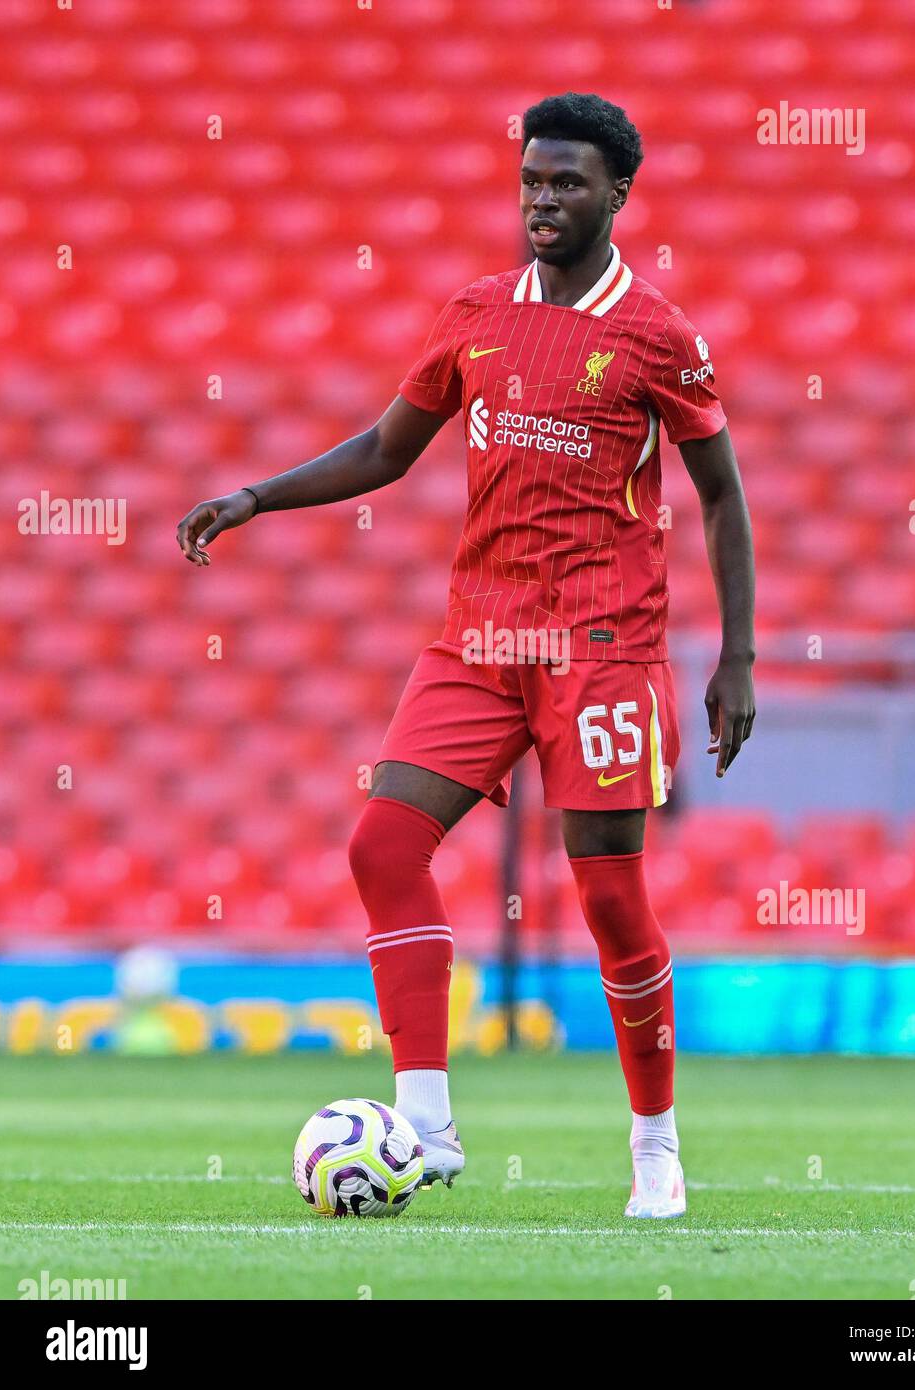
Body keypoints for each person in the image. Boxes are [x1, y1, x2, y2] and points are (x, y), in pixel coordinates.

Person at [177, 92, 756, 1219]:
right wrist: (255, 496)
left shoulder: (659, 335)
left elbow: (722, 495)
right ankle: (428, 1125)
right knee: (383, 844)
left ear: (617, 194)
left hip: (603, 642)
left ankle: (654, 1145)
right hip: (480, 638)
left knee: (610, 898)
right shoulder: (474, 314)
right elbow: (388, 451)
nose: (544, 199)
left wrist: (736, 659)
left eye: (569, 182)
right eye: (532, 180)